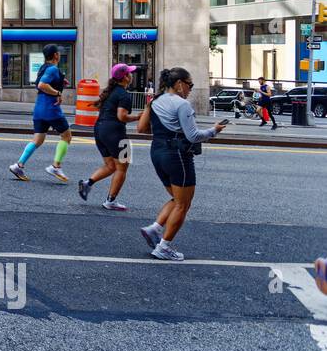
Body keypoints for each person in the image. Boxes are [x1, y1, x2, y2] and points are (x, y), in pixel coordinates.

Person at [135, 66, 227, 262]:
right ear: (178, 84)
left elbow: (141, 128)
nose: (190, 89)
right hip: (177, 155)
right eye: (189, 85)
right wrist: (214, 130)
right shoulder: (182, 105)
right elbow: (193, 136)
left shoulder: (156, 101)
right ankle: (164, 247)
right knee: (183, 203)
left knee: (176, 199)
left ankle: (155, 229)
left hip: (157, 152)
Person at [9, 44, 73, 183]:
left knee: (38, 140)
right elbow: (42, 85)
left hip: (39, 109)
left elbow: (42, 82)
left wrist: (61, 82)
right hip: (51, 109)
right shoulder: (52, 69)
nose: (59, 55)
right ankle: (56, 166)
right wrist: (58, 92)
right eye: (58, 53)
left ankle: (18, 166)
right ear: (56, 55)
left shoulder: (43, 68)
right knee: (66, 136)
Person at [77, 63, 136, 210]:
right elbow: (121, 116)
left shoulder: (110, 91)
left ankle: (87, 183)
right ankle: (110, 201)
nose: (132, 75)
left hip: (100, 130)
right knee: (122, 168)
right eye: (130, 72)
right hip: (116, 132)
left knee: (110, 166)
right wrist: (139, 117)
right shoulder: (123, 95)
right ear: (125, 77)